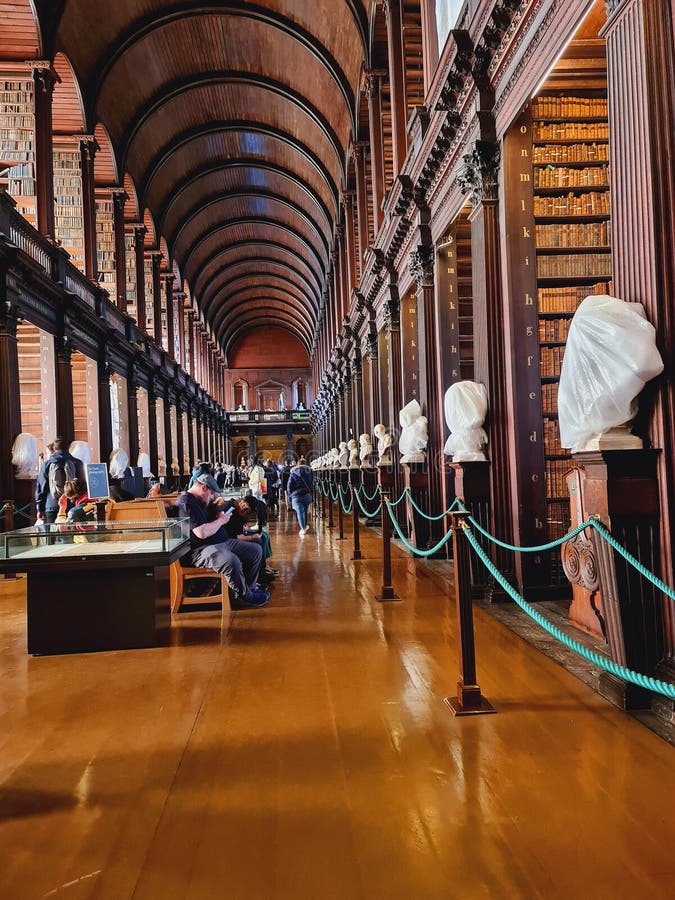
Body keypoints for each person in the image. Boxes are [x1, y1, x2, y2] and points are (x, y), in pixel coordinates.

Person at [173, 473, 269, 609]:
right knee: (231, 560)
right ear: (204, 488)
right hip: (201, 549)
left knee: (255, 550)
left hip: (220, 542)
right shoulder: (186, 503)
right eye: (212, 493)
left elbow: (207, 519)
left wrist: (215, 510)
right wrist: (221, 520)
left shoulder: (200, 501)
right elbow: (201, 532)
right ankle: (244, 595)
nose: (213, 497)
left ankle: (250, 588)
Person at [223, 497, 278, 582]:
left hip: (233, 536)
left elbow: (238, 529)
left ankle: (262, 568)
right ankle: (260, 573)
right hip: (228, 539)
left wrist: (246, 529)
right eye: (246, 510)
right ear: (243, 503)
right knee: (257, 542)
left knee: (263, 536)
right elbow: (236, 536)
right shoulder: (230, 508)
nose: (245, 511)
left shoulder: (239, 513)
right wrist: (252, 537)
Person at [35, 437, 84, 524]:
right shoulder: (77, 463)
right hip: (73, 504)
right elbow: (82, 485)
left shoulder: (47, 464)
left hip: (51, 506)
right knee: (71, 535)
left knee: (52, 536)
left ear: (54, 448)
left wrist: (40, 509)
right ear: (69, 448)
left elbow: (41, 487)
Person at [287, 456, 313, 536]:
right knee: (304, 511)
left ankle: (303, 528)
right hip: (306, 494)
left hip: (296, 495)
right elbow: (311, 483)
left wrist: (290, 494)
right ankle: (305, 525)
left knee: (299, 512)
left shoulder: (293, 473)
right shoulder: (309, 472)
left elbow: (289, 485)